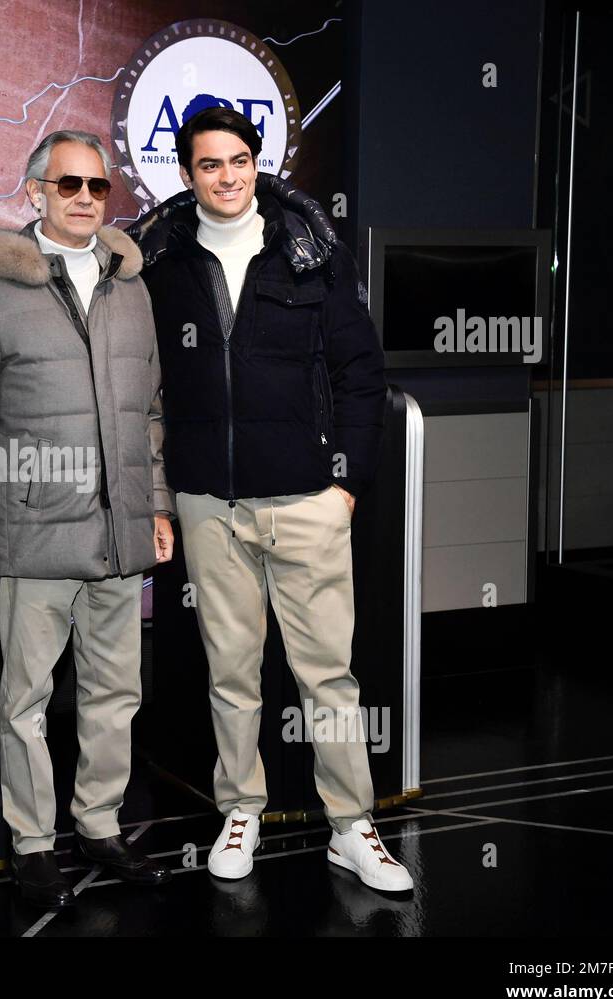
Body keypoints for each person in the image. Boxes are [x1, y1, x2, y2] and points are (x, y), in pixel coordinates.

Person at [129, 105, 414, 892]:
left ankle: (353, 826)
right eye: (210, 164)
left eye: (240, 160)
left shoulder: (310, 253)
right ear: (186, 174)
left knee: (327, 676)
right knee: (232, 673)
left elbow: (363, 373)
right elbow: (147, 388)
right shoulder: (160, 263)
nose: (227, 176)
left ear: (258, 163)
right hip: (208, 505)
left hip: (306, 502)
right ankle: (240, 810)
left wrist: (346, 485)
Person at [0, 129, 175, 909]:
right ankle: (33, 843)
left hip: (119, 536)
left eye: (97, 187)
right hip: (34, 535)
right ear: (34, 190)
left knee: (115, 694)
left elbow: (149, 416)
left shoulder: (131, 286)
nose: (83, 197)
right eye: (67, 183)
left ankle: (99, 824)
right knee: (26, 701)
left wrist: (158, 506)